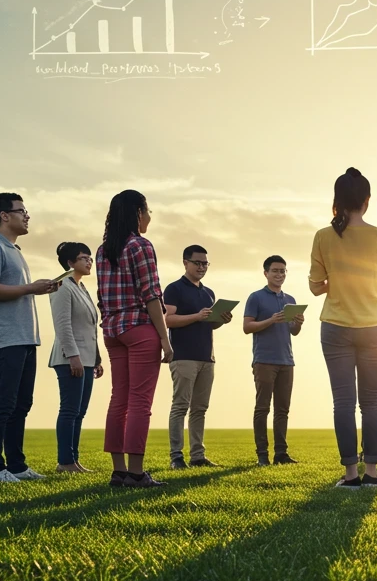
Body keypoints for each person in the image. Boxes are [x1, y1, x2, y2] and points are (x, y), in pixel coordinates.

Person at [309, 168, 377, 489]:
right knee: (372, 402)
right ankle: (372, 474)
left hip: (335, 326)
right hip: (375, 326)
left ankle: (349, 476)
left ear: (337, 201)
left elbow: (316, 286)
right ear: (367, 200)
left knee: (343, 403)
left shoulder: (323, 236)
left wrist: (337, 280)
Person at [0, 193, 58, 483]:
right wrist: (30, 288)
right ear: (4, 215)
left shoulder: (15, 249)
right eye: (21, 210)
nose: (27, 215)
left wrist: (39, 288)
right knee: (2, 404)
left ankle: (17, 466)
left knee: (22, 404)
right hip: (4, 338)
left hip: (24, 338)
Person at [96, 190, 173, 489]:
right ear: (138, 212)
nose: (150, 216)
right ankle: (137, 473)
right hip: (139, 328)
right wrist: (165, 340)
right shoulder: (140, 245)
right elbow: (151, 294)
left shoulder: (103, 250)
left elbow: (102, 296)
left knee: (120, 399)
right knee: (141, 401)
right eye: (148, 210)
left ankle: (119, 471)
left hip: (113, 330)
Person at [164, 245, 233, 470]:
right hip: (183, 356)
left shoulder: (208, 292)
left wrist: (221, 318)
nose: (202, 267)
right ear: (185, 262)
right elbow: (168, 320)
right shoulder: (174, 289)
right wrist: (197, 316)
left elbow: (209, 323)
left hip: (207, 357)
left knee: (200, 408)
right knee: (180, 406)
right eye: (198, 263)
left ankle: (197, 456)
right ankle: (176, 457)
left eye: (205, 263)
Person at [48, 241, 104, 473]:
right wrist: (73, 356)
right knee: (69, 410)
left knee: (80, 411)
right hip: (70, 358)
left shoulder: (81, 288)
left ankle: (74, 460)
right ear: (70, 262)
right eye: (84, 258)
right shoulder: (62, 286)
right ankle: (65, 461)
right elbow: (63, 326)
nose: (89, 261)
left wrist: (97, 359)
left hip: (88, 359)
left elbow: (90, 327)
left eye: (90, 257)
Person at [243, 255, 304, 466]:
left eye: (283, 271)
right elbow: (247, 327)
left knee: (282, 410)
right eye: (275, 271)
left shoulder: (290, 300)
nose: (279, 274)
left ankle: (281, 454)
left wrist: (298, 323)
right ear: (266, 273)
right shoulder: (256, 297)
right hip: (264, 360)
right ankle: (262, 454)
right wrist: (271, 320)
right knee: (262, 408)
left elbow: (293, 332)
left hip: (287, 361)